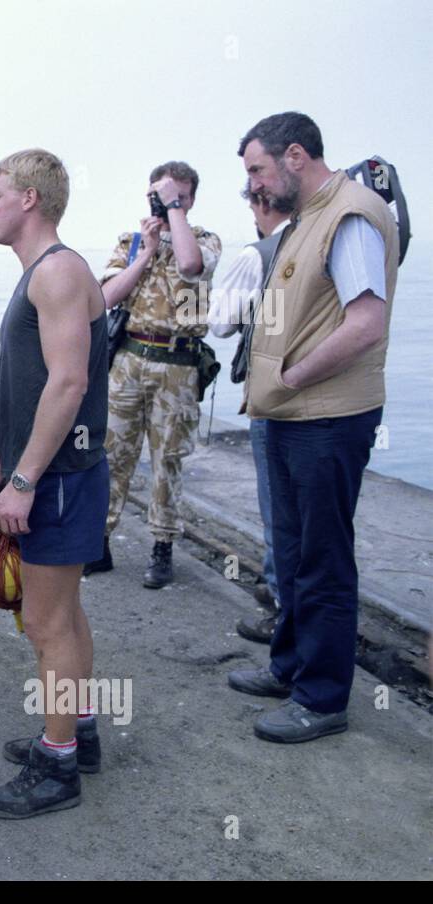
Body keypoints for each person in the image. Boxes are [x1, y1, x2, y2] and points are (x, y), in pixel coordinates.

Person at [227, 111, 398, 743]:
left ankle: (322, 699)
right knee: (295, 553)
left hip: (325, 417)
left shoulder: (349, 215)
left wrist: (293, 378)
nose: (255, 186)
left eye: (258, 170)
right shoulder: (308, 219)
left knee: (323, 560)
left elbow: (365, 323)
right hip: (291, 414)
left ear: (295, 155)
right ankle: (292, 668)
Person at [0, 149, 109, 819]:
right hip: (58, 473)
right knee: (68, 615)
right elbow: (32, 389)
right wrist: (3, 468)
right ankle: (77, 731)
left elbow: (70, 383)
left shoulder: (55, 274)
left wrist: (23, 479)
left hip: (56, 480)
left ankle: (56, 768)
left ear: (29, 198)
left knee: (48, 626)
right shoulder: (50, 272)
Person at [85, 161, 222, 587]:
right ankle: (99, 541)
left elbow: (190, 266)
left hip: (178, 364)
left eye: (173, 197)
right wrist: (144, 252)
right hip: (129, 359)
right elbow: (105, 296)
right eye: (158, 196)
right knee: (111, 456)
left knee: (169, 462)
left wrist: (174, 214)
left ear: (189, 199)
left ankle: (162, 547)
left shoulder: (204, 240)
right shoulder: (130, 242)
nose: (162, 204)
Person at [208, 183, 292, 644]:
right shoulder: (321, 241)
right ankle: (289, 599)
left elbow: (220, 321)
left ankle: (282, 608)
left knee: (278, 511)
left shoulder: (257, 253)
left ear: (261, 204)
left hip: (275, 394)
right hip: (326, 400)